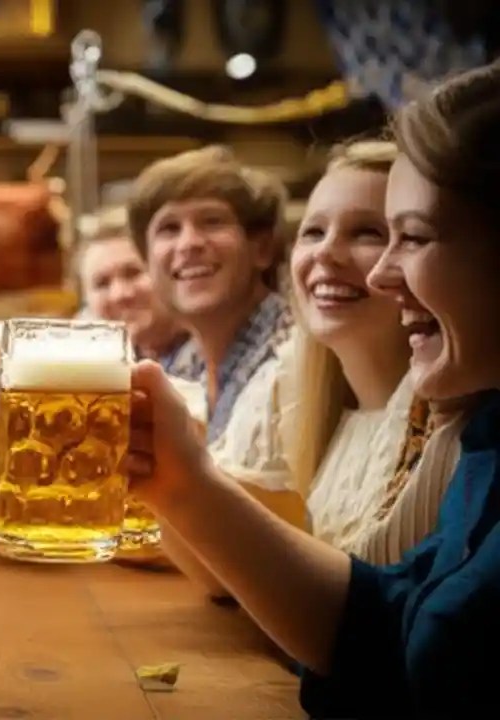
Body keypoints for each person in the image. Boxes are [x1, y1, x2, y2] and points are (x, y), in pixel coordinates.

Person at [126, 60, 500, 716]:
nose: (386, 273)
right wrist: (182, 484)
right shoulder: (491, 445)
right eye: (317, 231)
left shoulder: (460, 423)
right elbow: (384, 625)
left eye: (406, 235)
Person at [127, 147, 294, 443]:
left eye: (212, 221)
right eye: (169, 228)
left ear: (262, 249)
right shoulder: (182, 369)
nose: (189, 243)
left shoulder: (297, 353)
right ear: (148, 263)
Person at [76, 205, 196, 374]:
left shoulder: (211, 354)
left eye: (133, 273)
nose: (120, 294)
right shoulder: (90, 366)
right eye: (102, 283)